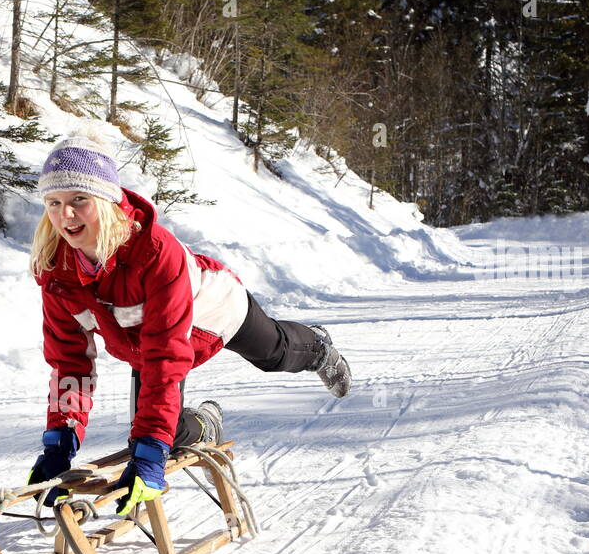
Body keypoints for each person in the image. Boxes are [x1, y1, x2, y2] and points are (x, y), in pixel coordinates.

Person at [26, 128, 351, 516]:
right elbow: (70, 363)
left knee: (273, 353)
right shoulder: (57, 271)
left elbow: (166, 358)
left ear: (107, 199)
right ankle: (204, 424)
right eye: (53, 202)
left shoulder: (155, 253)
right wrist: (59, 444)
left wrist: (149, 455)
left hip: (215, 310)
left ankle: (317, 347)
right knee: (158, 429)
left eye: (79, 199)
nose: (66, 215)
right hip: (148, 348)